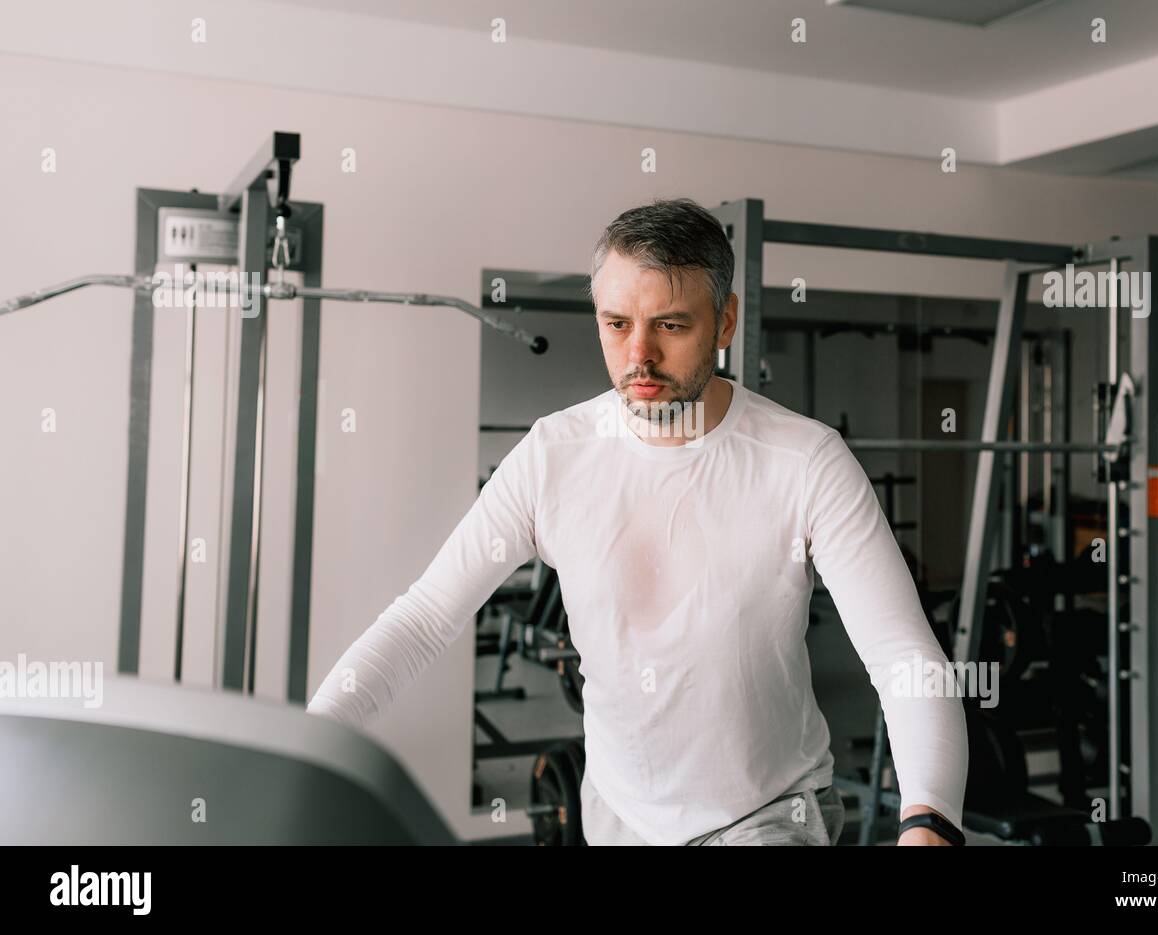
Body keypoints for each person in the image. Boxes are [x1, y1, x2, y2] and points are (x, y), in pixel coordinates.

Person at [307, 198, 968, 846]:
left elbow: (904, 659)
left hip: (765, 818)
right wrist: (307, 749)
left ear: (726, 320)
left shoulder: (805, 461)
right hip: (615, 815)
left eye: (671, 326)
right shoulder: (552, 455)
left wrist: (929, 822)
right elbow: (423, 616)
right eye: (617, 323)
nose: (638, 356)